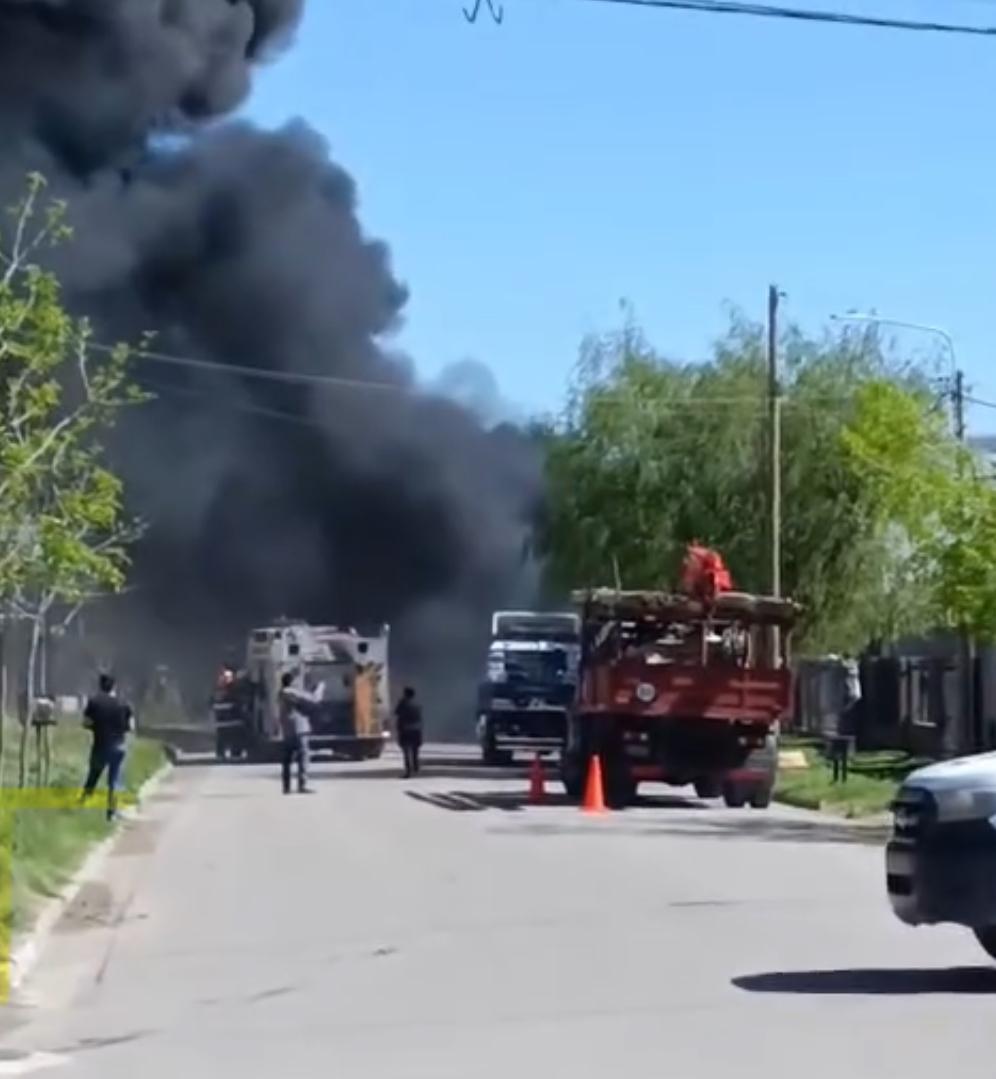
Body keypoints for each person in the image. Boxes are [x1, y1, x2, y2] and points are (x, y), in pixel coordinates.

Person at [81, 673, 134, 822]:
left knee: (93, 775)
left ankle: (84, 803)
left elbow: (85, 722)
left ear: (100, 686)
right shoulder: (123, 704)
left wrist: (95, 726)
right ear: (114, 686)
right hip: (118, 746)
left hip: (100, 744)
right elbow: (130, 726)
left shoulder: (94, 702)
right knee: (114, 781)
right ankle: (112, 813)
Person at [278, 670, 323, 794]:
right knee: (303, 757)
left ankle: (286, 786)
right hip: (299, 729)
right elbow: (312, 701)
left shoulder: (282, 693)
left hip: (287, 730)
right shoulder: (291, 693)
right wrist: (319, 688)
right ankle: (302, 785)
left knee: (287, 760)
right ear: (292, 682)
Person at [395, 686, 423, 778]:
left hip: (405, 730)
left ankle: (408, 771)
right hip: (417, 730)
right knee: (415, 751)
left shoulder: (403, 703)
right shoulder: (418, 704)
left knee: (406, 752)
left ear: (405, 694)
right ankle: (416, 767)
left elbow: (396, 712)